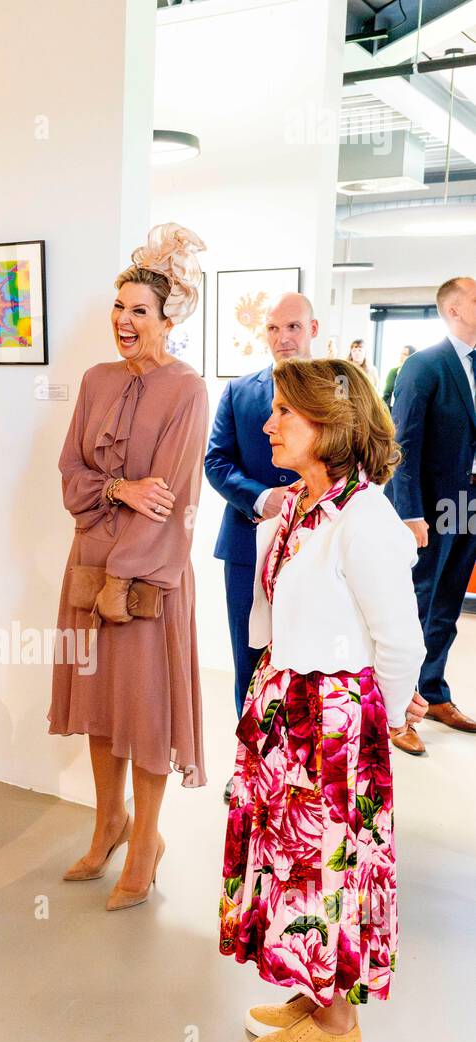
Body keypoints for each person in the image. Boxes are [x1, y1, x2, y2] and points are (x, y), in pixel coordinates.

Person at [218, 359, 426, 1042]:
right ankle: (315, 993)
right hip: (289, 712)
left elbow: (401, 642)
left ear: (330, 425)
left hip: (333, 727)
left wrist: (377, 724)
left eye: (284, 412)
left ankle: (339, 1028)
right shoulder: (303, 505)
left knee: (327, 867)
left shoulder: (366, 518)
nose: (268, 424)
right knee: (294, 863)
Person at [48, 223, 208, 910]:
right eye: (119, 307)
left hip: (147, 577)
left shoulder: (188, 390)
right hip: (87, 565)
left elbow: (173, 500)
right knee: (99, 704)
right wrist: (118, 488)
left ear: (168, 320)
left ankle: (146, 843)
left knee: (145, 713)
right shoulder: (94, 380)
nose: (124, 320)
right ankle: (107, 823)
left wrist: (124, 575)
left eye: (140, 310)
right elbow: (71, 475)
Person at [204, 293, 315, 799]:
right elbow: (217, 462)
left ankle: (300, 770)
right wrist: (261, 497)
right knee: (249, 661)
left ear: (312, 328)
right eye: (272, 328)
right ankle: (250, 767)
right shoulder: (239, 392)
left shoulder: (338, 387)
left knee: (307, 660)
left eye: (292, 326)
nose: (282, 338)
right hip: (247, 547)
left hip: (317, 547)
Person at [386, 276, 476, 755]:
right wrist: (410, 513)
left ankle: (435, 693)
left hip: (469, 505)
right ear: (454, 310)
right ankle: (399, 710)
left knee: (448, 606)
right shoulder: (424, 366)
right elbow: (402, 445)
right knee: (416, 608)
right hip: (431, 507)